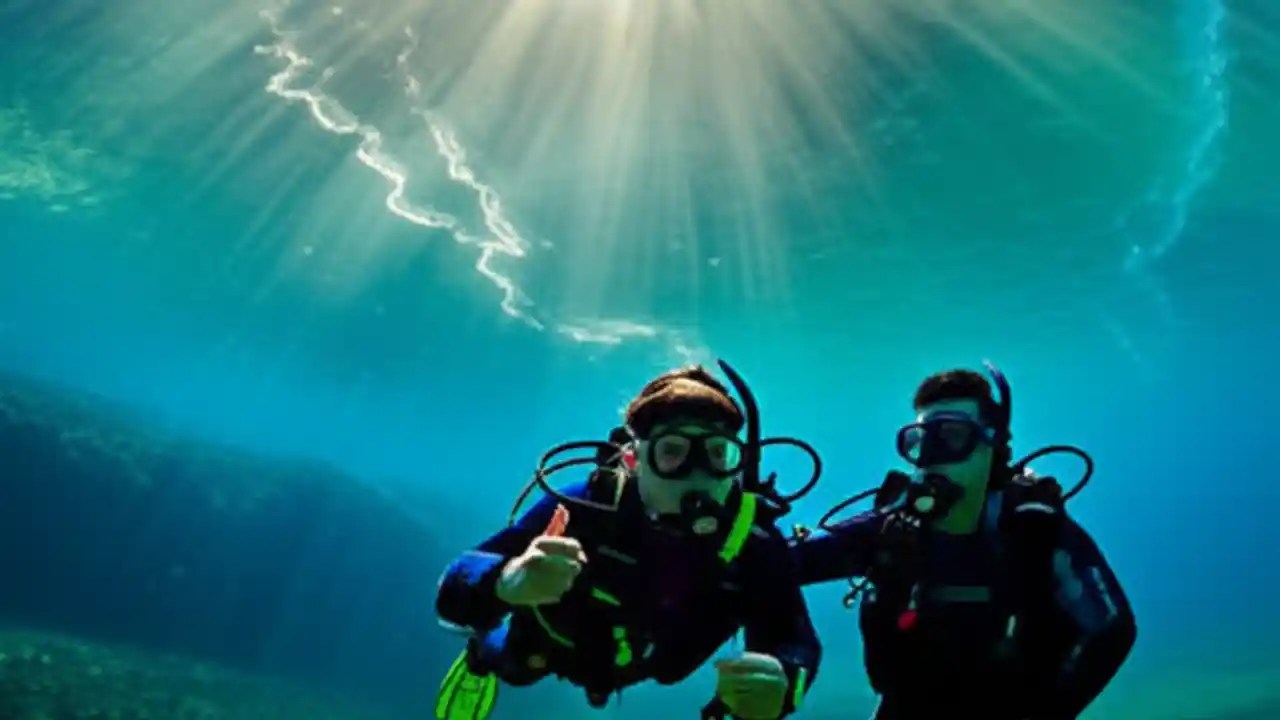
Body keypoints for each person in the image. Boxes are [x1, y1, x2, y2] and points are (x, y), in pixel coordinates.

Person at [434, 360, 823, 720]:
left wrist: (786, 683)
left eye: (717, 453)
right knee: (516, 668)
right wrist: (507, 581)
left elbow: (793, 636)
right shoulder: (585, 505)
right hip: (556, 644)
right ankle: (479, 657)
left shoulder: (754, 541)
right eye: (673, 452)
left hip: (650, 663)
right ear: (634, 461)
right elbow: (454, 585)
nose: (698, 474)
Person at [790, 362, 1136, 719]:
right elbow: (785, 562)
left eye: (953, 437)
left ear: (994, 448)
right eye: (920, 442)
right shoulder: (892, 530)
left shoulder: (1035, 531)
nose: (932, 458)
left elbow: (1112, 629)